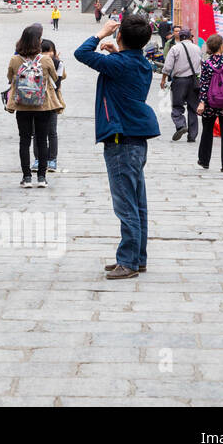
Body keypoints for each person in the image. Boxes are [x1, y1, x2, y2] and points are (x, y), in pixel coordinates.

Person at [74, 15, 159, 279]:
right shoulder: (142, 64)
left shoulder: (118, 64)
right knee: (137, 202)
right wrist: (117, 49)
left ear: (119, 35)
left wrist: (101, 33)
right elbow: (128, 61)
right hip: (137, 139)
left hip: (121, 140)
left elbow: (81, 53)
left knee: (125, 205)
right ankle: (137, 257)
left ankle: (128, 262)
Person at [6, 23, 63, 188]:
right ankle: (42, 178)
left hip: (22, 105)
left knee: (24, 140)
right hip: (42, 105)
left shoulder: (15, 59)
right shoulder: (45, 59)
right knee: (42, 140)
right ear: (37, 41)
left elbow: (10, 77)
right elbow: (55, 77)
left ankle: (26, 177)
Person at [196, 34, 223, 172]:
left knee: (207, 131)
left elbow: (204, 85)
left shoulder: (206, 64)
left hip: (210, 103)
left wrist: (202, 102)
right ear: (222, 46)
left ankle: (204, 160)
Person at [161, 29, 203, 142]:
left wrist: (163, 79)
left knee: (177, 106)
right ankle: (192, 136)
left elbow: (168, 66)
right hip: (194, 81)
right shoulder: (197, 48)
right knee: (193, 108)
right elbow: (201, 64)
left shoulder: (175, 48)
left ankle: (181, 125)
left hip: (179, 81)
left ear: (179, 37)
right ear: (190, 37)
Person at [39, 38, 67, 172]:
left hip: (52, 100)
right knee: (37, 132)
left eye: (49, 51)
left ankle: (52, 159)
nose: (47, 54)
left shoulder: (58, 63)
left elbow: (58, 82)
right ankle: (38, 158)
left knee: (52, 131)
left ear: (54, 52)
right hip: (36, 101)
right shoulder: (35, 62)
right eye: (44, 51)